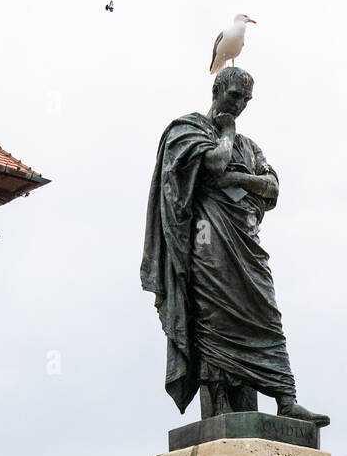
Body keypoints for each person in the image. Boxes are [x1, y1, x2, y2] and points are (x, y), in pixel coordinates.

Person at [141, 66, 329, 424]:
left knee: (267, 312)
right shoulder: (188, 130)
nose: (240, 105)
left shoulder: (250, 146)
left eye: (246, 99)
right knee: (216, 318)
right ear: (217, 89)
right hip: (207, 244)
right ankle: (222, 404)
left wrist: (237, 176)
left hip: (247, 244)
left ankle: (286, 399)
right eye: (234, 96)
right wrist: (226, 135)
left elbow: (272, 188)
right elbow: (214, 163)